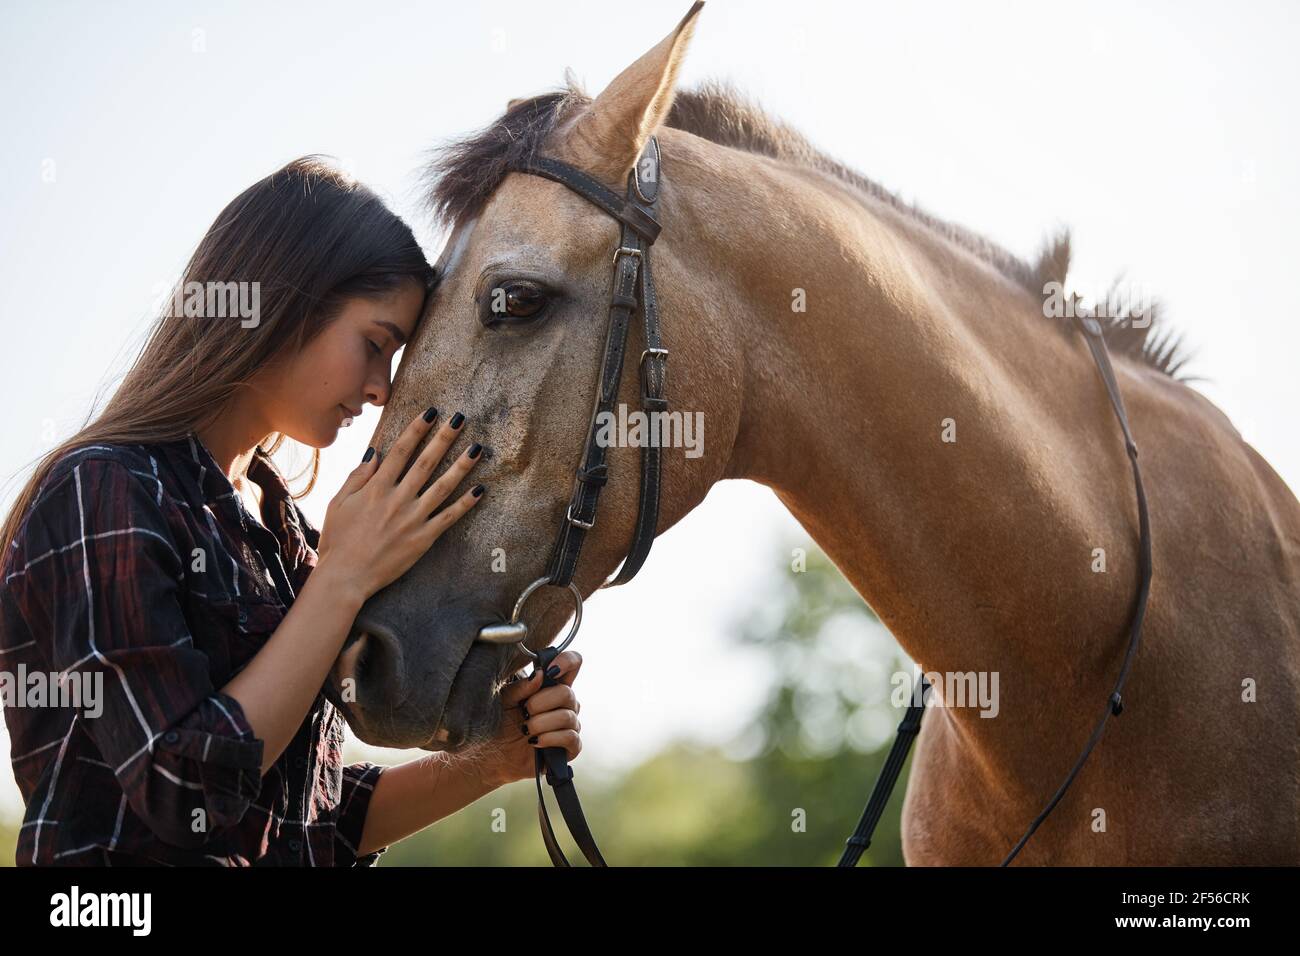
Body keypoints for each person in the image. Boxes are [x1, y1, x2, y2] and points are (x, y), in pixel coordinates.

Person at [0, 155, 582, 866]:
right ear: (284, 306)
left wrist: (491, 762)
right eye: (375, 345)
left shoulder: (284, 534)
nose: (381, 389)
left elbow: (315, 823)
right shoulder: (102, 490)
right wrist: (343, 578)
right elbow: (183, 788)